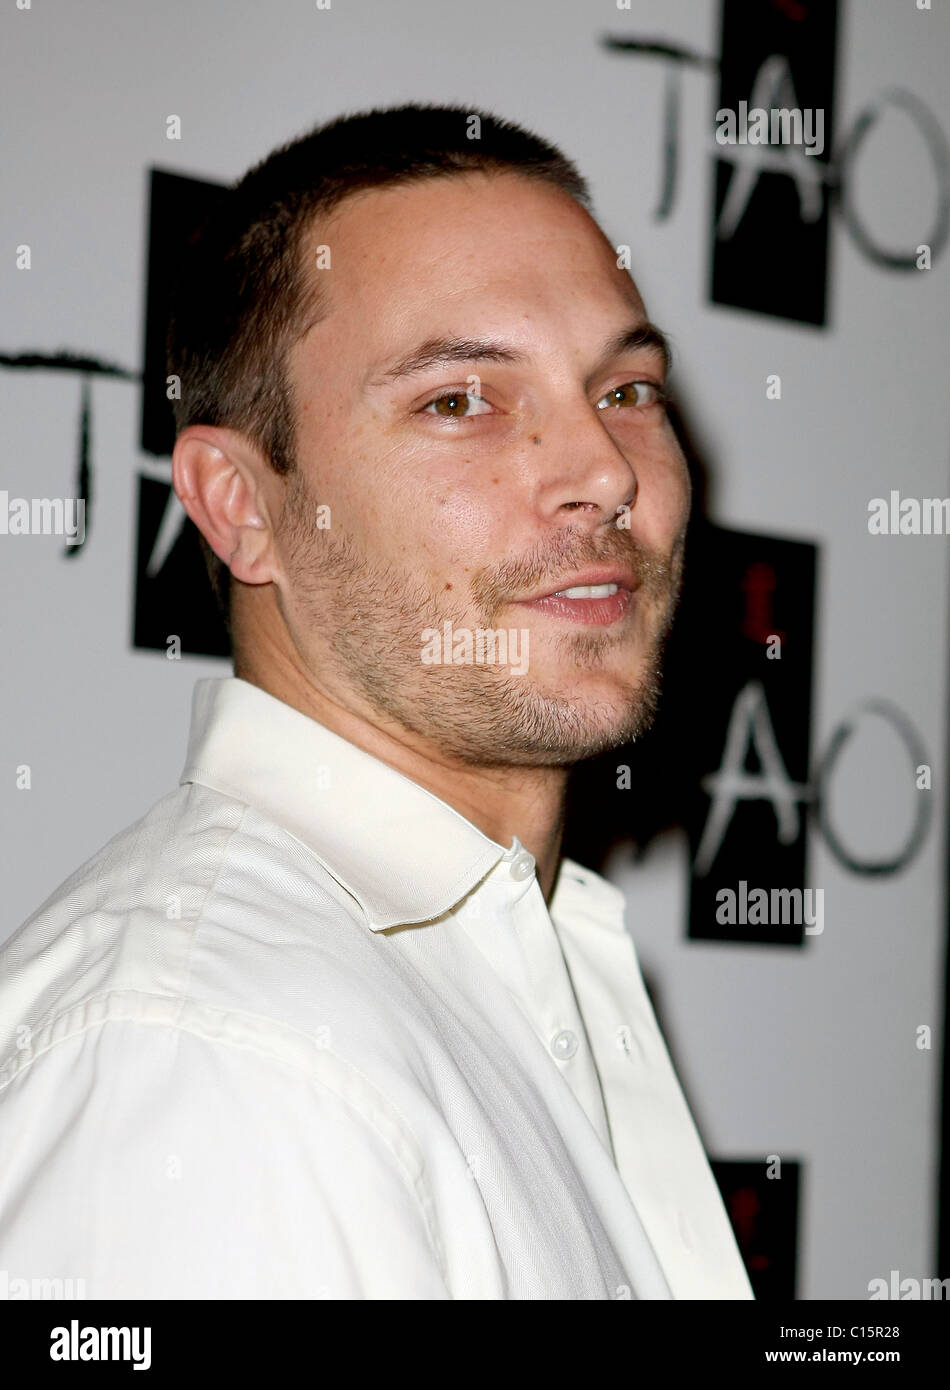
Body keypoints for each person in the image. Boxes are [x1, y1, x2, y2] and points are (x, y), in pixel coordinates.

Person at [0, 103, 752, 1299]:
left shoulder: (505, 961)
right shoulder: (213, 1055)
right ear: (241, 503)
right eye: (459, 400)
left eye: (627, 390)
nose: (604, 474)